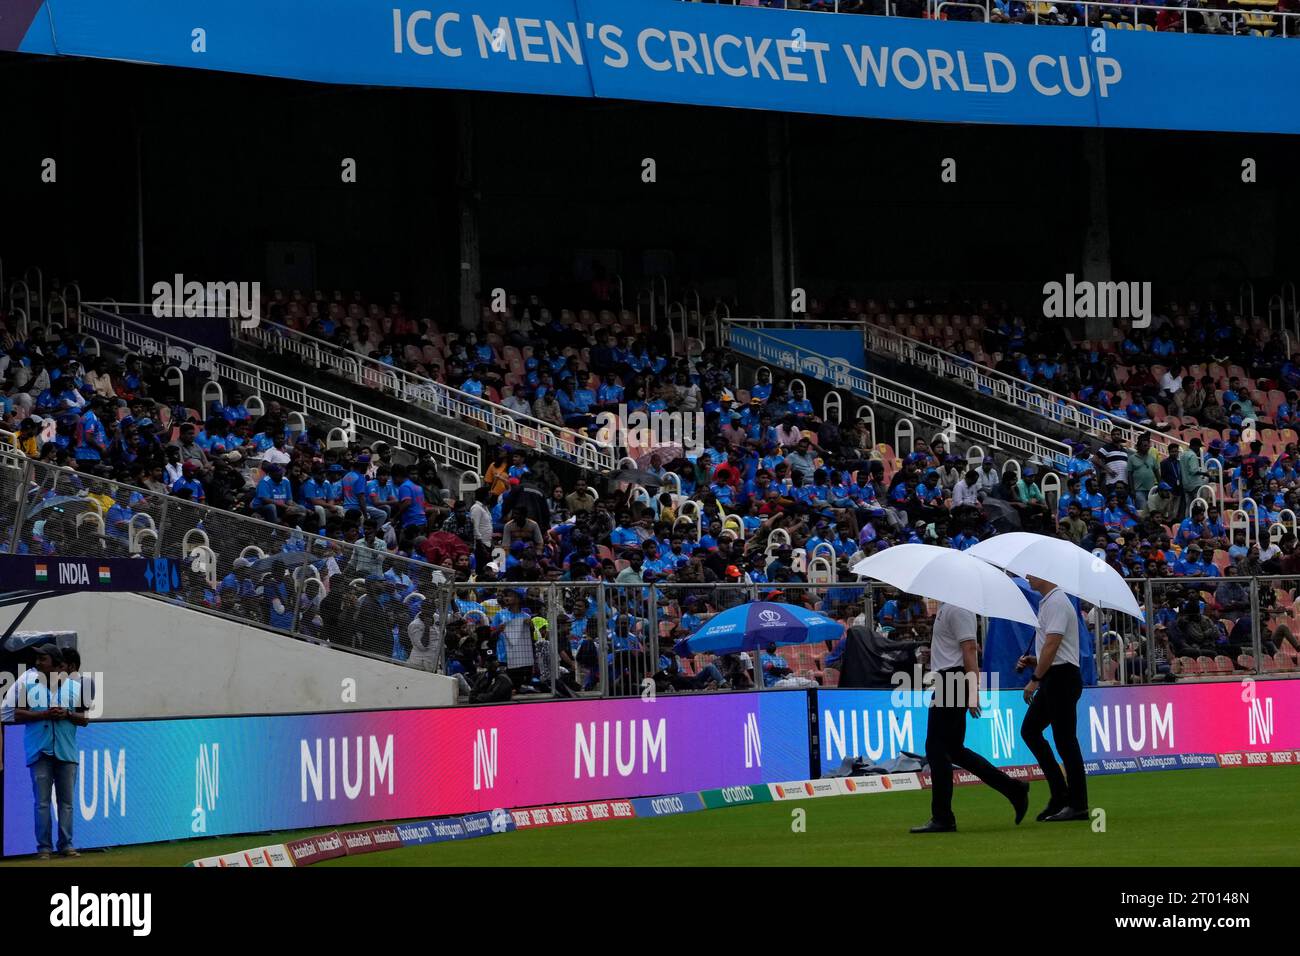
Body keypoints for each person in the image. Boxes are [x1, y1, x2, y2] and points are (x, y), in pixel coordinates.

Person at [911, 602, 1029, 833]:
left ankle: (943, 817)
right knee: (954, 750)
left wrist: (973, 691)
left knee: (936, 749)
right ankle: (1013, 788)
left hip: (953, 681)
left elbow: (970, 649)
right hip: (949, 679)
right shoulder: (950, 607)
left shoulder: (957, 608)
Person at [0, 644, 87, 858]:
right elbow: (17, 715)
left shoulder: (77, 688)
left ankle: (66, 845)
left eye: (43, 659)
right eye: (37, 659)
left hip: (66, 751)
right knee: (42, 802)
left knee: (66, 803)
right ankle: (44, 848)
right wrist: (44, 715)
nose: (38, 662)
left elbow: (84, 719)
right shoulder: (27, 686)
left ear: (57, 664)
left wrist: (66, 714)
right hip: (39, 750)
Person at [1018, 575, 1089, 822]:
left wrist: (1035, 678)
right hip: (1056, 675)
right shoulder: (1049, 601)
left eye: (1031, 573)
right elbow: (1053, 648)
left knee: (1065, 741)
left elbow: (1053, 645)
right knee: (1031, 731)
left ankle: (1077, 803)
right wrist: (1035, 662)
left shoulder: (1057, 601)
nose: (1027, 577)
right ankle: (1060, 794)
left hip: (1061, 678)